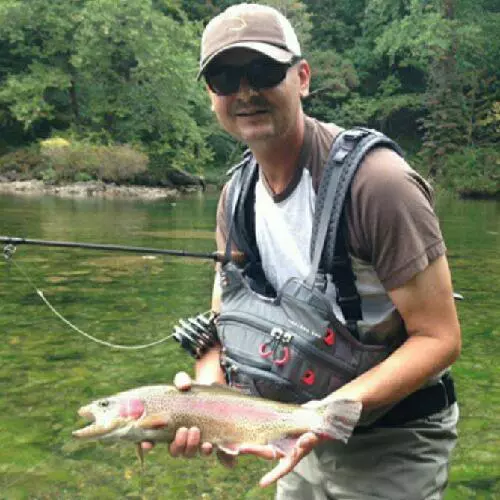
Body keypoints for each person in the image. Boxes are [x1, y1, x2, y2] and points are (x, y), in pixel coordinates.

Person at [144, 4, 462, 499]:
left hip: (393, 438)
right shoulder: (236, 197)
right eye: (227, 77)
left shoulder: (377, 185)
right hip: (290, 433)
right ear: (211, 96)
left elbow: (440, 338)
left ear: (303, 78)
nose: (246, 92)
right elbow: (223, 319)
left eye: (265, 71)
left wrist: (322, 417)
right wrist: (208, 402)